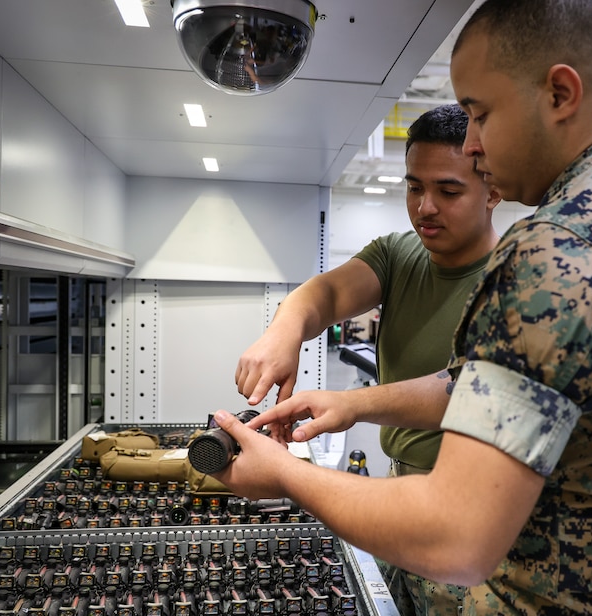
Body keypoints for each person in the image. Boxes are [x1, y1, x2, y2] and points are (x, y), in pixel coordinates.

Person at [215, 1, 592, 613]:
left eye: (480, 114)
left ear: (560, 94)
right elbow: (493, 390)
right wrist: (352, 403)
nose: (473, 144)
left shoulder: (560, 248)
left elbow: (455, 536)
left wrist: (284, 473)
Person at [234, 103, 501, 614]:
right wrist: (284, 332)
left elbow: (467, 392)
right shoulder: (400, 254)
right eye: (414, 187)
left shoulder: (512, 280)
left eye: (448, 191)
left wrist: (353, 404)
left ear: (492, 190)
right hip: (400, 489)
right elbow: (326, 294)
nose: (425, 207)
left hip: (470, 510)